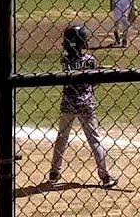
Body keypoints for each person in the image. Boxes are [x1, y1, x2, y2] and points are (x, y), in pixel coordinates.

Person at [47, 24, 117, 188]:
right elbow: (94, 81)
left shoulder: (65, 60)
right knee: (95, 140)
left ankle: (54, 172)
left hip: (68, 104)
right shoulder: (90, 60)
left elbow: (74, 61)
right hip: (85, 104)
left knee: (61, 138)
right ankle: (105, 176)